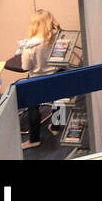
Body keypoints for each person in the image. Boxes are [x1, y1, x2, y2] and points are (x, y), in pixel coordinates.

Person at [19, 9, 61, 149]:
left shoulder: (30, 45)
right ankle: (56, 127)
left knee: (33, 108)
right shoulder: (56, 37)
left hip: (36, 79)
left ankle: (34, 139)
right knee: (58, 100)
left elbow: (25, 66)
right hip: (54, 76)